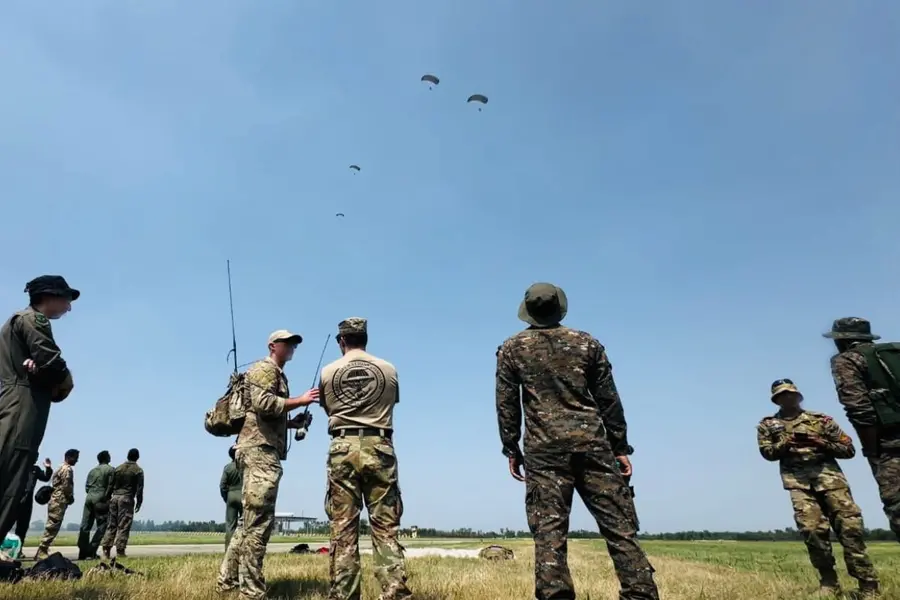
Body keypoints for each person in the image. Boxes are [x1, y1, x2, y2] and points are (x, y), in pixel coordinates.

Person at [495, 283, 658, 600]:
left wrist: (511, 448)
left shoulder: (511, 349)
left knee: (549, 533)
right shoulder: (587, 343)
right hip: (593, 446)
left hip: (544, 451)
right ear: (559, 307)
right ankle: (640, 594)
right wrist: (620, 447)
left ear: (528, 312)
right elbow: (609, 400)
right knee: (619, 527)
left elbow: (507, 405)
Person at [216, 329, 319, 600]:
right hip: (259, 452)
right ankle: (251, 591)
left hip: (259, 448)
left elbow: (264, 414)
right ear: (273, 346)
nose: (292, 347)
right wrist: (301, 401)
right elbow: (264, 405)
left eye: (294, 343)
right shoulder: (265, 369)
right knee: (259, 525)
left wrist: (292, 423)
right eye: (287, 343)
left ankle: (228, 582)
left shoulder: (277, 373)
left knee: (248, 524)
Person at [757, 378, 879, 597]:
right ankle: (829, 583)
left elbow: (848, 449)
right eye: (782, 395)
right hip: (799, 484)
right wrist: (786, 443)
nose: (787, 398)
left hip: (831, 482)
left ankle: (868, 585)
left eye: (790, 394)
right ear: (776, 400)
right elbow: (767, 453)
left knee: (850, 529)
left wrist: (820, 442)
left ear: (798, 396)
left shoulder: (821, 420)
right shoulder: (768, 424)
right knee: (812, 531)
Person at [319, 317, 413, 600]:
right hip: (380, 446)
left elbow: (328, 408)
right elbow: (391, 402)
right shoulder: (388, 369)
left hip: (342, 447)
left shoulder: (328, 371)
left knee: (343, 529)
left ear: (342, 340)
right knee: (385, 527)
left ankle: (345, 594)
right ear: (365, 338)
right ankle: (394, 592)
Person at [0, 275, 78, 553]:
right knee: (12, 482)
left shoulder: (13, 322)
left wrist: (43, 371)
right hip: (24, 408)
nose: (68, 307)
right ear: (49, 296)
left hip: (12, 401)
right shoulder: (35, 320)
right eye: (66, 299)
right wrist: (60, 378)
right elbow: (54, 365)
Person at [825, 317, 900, 542]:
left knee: (897, 505)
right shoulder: (893, 354)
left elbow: (858, 408)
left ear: (842, 340)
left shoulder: (847, 360)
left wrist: (871, 451)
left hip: (890, 445)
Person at [35, 449, 79, 560]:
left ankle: (42, 550)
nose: (77, 460)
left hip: (56, 500)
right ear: (69, 457)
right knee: (52, 526)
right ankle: (42, 550)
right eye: (75, 458)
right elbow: (66, 486)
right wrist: (70, 498)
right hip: (59, 501)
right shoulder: (67, 470)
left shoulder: (60, 467)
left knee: (52, 525)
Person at [101, 448, 144, 559]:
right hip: (126, 499)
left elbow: (110, 484)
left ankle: (106, 550)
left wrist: (107, 497)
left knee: (111, 524)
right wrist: (139, 502)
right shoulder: (138, 470)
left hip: (114, 497)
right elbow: (139, 489)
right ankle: (120, 550)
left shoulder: (118, 468)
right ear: (137, 457)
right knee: (123, 525)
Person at [77, 450, 114, 560]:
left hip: (89, 497)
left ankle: (82, 551)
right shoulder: (110, 470)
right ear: (106, 458)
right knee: (102, 525)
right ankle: (91, 550)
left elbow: (87, 487)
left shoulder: (92, 471)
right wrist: (106, 498)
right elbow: (111, 486)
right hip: (101, 498)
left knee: (85, 525)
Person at [14, 458, 52, 553]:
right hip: (14, 500)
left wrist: (48, 468)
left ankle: (18, 550)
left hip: (27, 501)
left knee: (22, 527)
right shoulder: (17, 466)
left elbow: (45, 478)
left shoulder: (35, 469)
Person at [220, 445, 243, 550]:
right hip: (244, 495)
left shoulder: (228, 467)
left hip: (231, 495)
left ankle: (229, 551)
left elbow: (222, 485)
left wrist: (226, 498)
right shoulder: (246, 467)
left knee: (230, 526)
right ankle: (243, 550)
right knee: (245, 526)